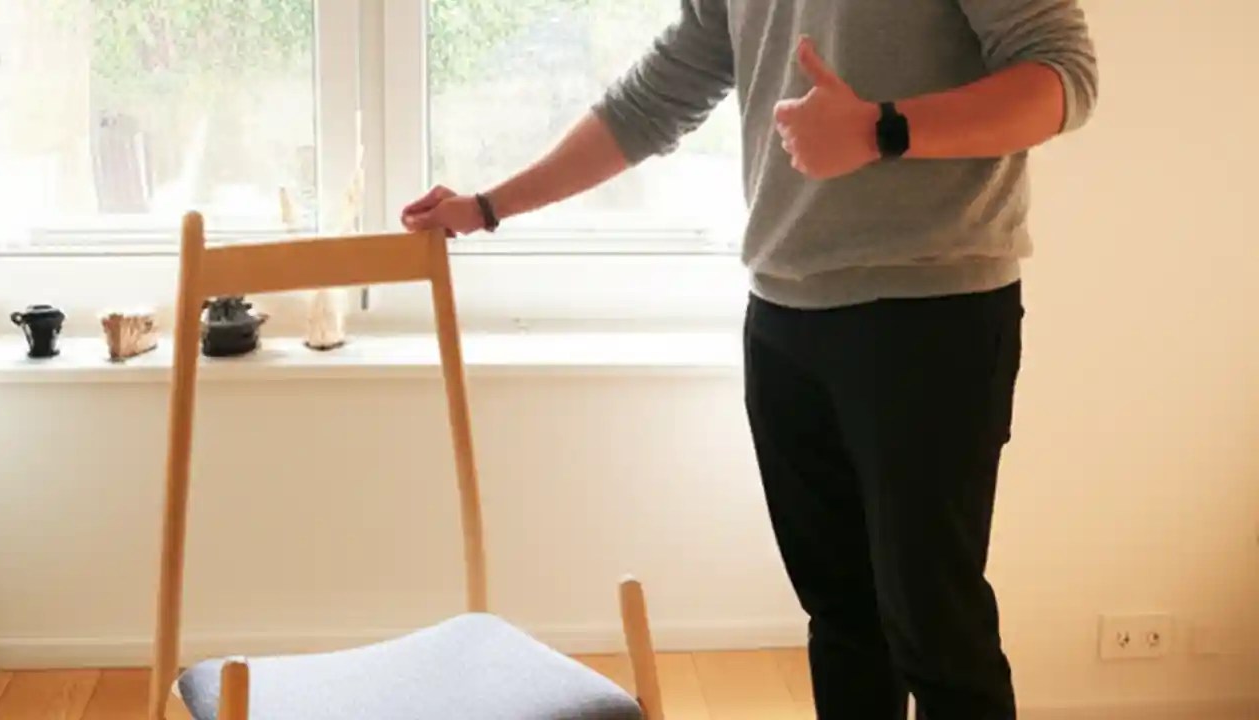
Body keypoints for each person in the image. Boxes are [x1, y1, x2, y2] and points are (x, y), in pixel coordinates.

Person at [403, 1, 1098, 718]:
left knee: (936, 632)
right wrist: (489, 206)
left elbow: (1062, 76)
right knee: (843, 625)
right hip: (784, 321)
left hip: (930, 315)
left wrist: (883, 129)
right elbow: (655, 98)